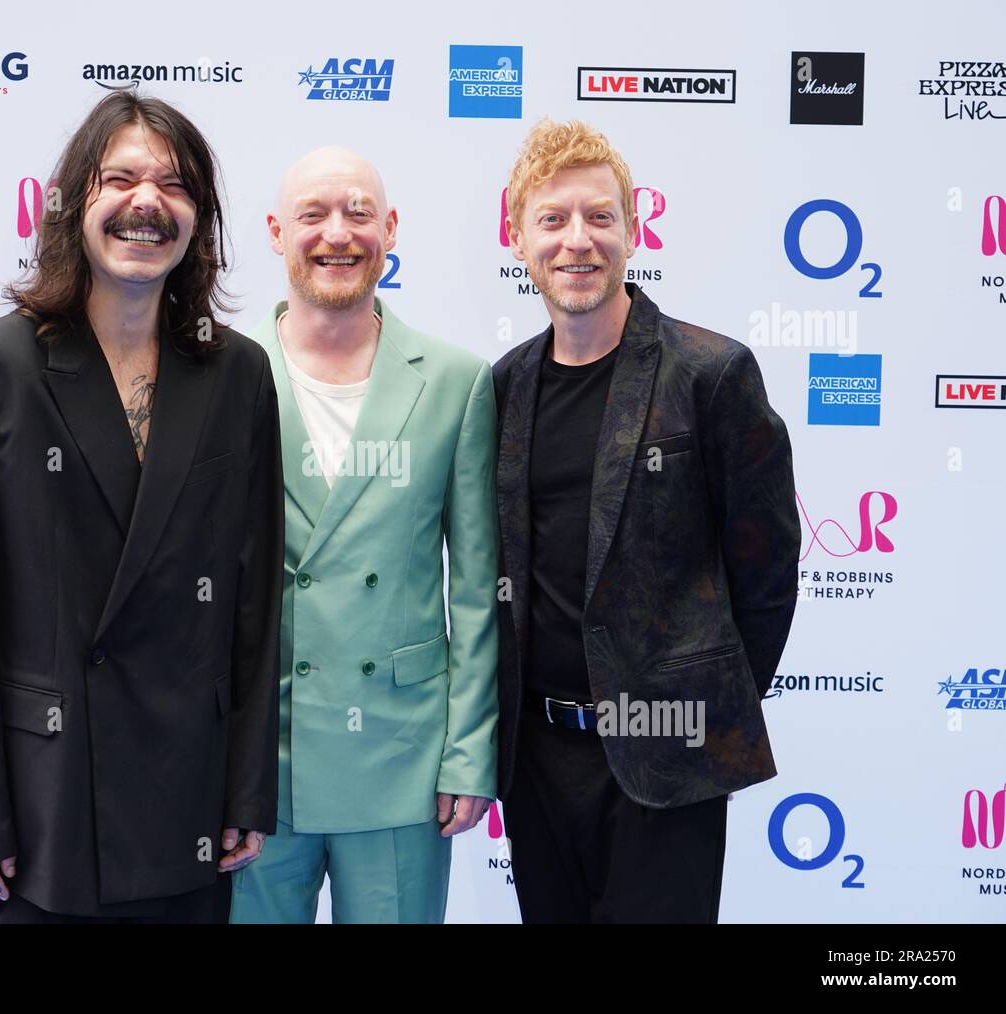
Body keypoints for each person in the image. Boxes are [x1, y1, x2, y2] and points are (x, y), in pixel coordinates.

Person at [0, 91, 283, 924]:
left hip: (186, 807)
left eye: (176, 186)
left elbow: (255, 602)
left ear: (200, 222)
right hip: (38, 818)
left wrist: (249, 787)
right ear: (76, 202)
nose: (148, 202)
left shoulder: (239, 373)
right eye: (122, 178)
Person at [492, 118, 799, 923]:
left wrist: (697, 706)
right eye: (552, 220)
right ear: (518, 236)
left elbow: (767, 573)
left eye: (599, 217)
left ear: (633, 229)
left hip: (670, 755)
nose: (577, 241)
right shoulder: (504, 387)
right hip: (534, 760)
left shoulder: (711, 373)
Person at [229, 147, 500, 924]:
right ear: (279, 232)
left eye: (357, 212)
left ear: (390, 228)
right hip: (257, 762)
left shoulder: (455, 381)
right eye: (312, 215)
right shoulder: (223, 371)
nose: (336, 234)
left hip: (401, 757)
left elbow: (477, 591)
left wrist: (469, 751)